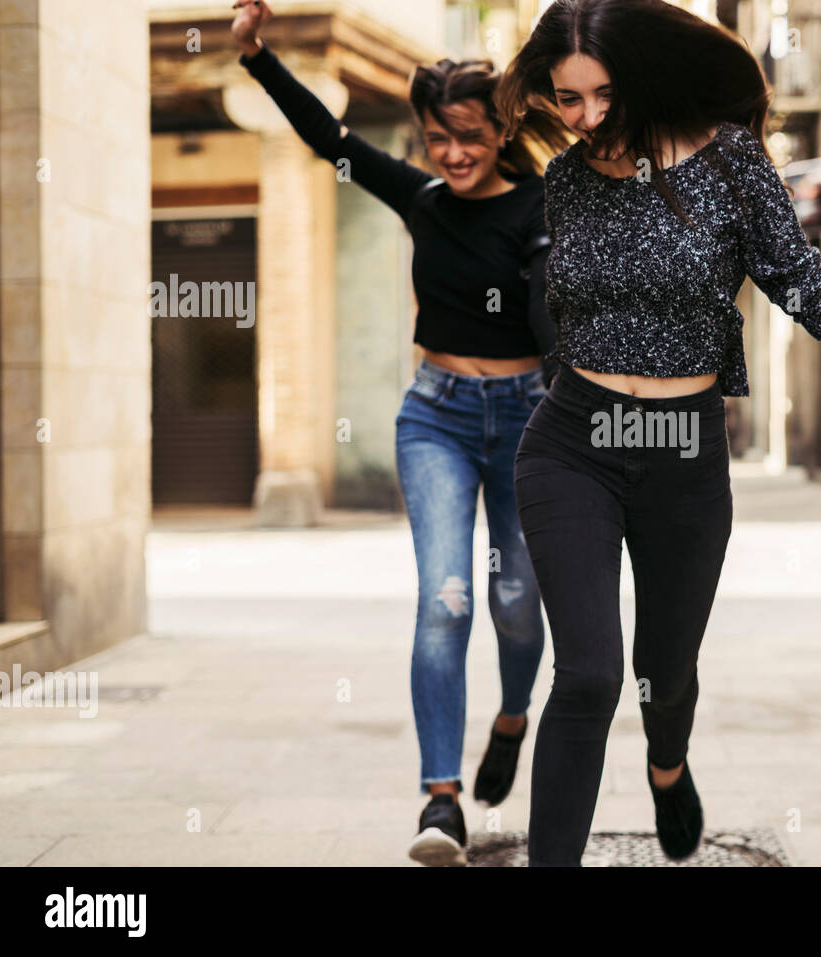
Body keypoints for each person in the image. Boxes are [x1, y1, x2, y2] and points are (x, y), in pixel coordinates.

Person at [494, 0, 821, 866]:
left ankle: (667, 767)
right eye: (567, 99)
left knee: (663, 672)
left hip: (683, 453)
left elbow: (805, 281)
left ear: (636, 74)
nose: (587, 117)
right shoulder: (564, 180)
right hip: (573, 444)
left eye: (602, 94)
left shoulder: (730, 160)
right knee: (590, 674)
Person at [231, 0, 575, 866]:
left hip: (532, 419)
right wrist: (257, 56)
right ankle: (441, 800)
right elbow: (330, 141)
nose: (452, 154)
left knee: (518, 602)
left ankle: (510, 719)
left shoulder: (549, 203)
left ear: (500, 130)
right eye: (436, 137)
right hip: (438, 417)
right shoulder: (422, 201)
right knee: (447, 598)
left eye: (469, 135)